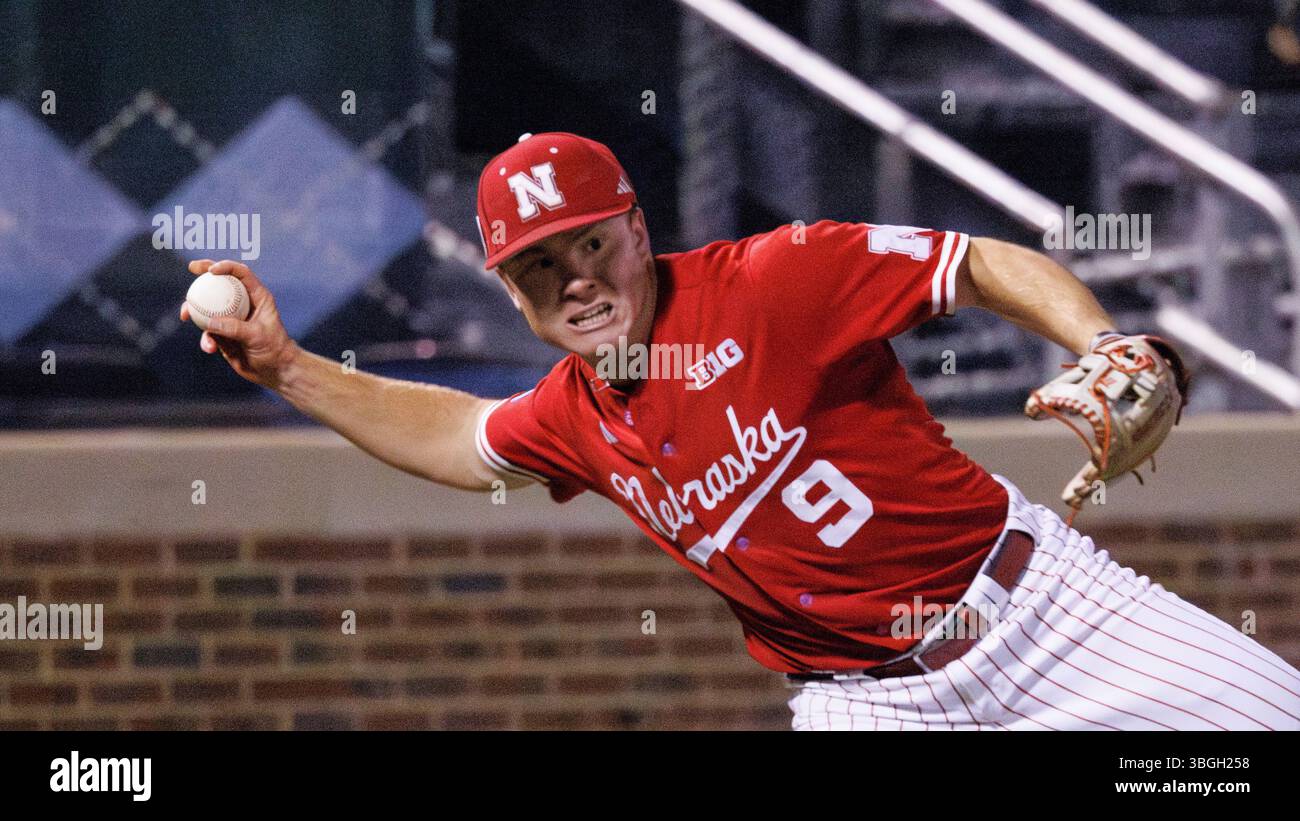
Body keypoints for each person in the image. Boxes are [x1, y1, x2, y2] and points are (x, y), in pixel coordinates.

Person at [184, 132, 1300, 730]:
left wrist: (1103, 342)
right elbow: (464, 438)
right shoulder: (576, 413)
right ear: (510, 293)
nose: (573, 280)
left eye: (587, 245)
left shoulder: (776, 277)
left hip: (1048, 614)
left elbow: (979, 263)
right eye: (536, 266)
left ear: (635, 224)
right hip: (873, 707)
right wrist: (285, 365)